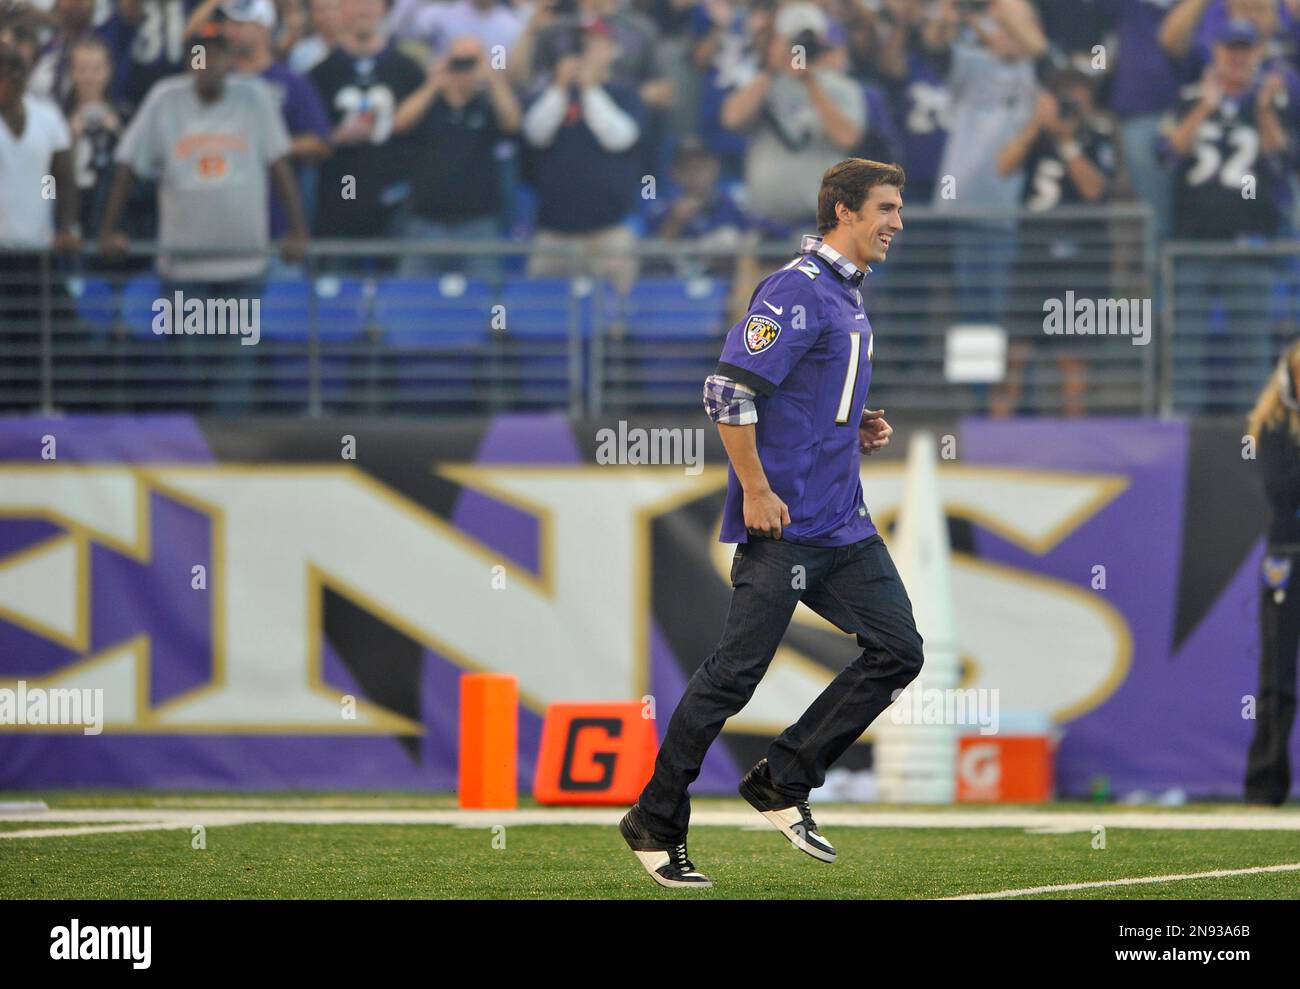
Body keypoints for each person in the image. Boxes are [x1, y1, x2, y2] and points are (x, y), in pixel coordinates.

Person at [619, 158, 923, 889]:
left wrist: (853, 424)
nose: (898, 221)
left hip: (841, 525)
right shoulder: (797, 288)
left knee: (899, 650)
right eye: (885, 207)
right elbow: (727, 389)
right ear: (843, 212)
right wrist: (755, 487)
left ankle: (783, 778)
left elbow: (804, 393)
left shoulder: (846, 295)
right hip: (786, 527)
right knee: (735, 675)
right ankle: (654, 819)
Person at [97, 24, 309, 412]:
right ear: (189, 60)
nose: (209, 62)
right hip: (185, 266)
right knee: (195, 363)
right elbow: (127, 165)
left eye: (218, 53)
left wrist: (297, 231)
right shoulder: (164, 99)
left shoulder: (255, 98)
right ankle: (203, 447)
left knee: (236, 366)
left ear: (231, 59)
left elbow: (280, 164)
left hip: (243, 264)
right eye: (201, 53)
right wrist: (110, 230)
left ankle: (229, 455)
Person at [720, 1, 865, 234]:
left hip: (821, 228)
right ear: (778, 41)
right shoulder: (762, 84)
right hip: (764, 228)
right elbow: (731, 119)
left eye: (807, 42)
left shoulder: (843, 89)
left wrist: (810, 81)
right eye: (794, 42)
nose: (800, 50)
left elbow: (847, 137)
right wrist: (772, 68)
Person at [521, 20, 643, 292]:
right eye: (581, 46)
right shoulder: (551, 94)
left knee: (616, 319)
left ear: (612, 51)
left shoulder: (624, 94)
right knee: (538, 315)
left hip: (608, 232)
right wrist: (560, 88)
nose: (585, 53)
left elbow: (621, 137)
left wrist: (590, 89)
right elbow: (535, 133)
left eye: (595, 45)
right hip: (554, 233)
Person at [0, 38, 80, 412]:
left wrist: (66, 225)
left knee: (45, 338)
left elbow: (60, 175)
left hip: (36, 251)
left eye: (9, 73)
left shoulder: (46, 116)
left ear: (20, 77)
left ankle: (40, 416)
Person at [308, 0, 425, 247]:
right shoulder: (319, 74)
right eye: (354, 3)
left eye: (371, 3)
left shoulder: (409, 70)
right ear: (340, 9)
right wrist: (337, 136)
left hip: (396, 201)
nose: (363, 10)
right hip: (339, 200)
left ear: (384, 8)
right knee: (334, 283)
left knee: (401, 285)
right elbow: (303, 144)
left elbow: (429, 135)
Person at [1243, 338, 1300, 805]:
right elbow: (1283, 494)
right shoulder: (1271, 429)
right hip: (1287, 556)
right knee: (1276, 677)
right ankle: (1266, 783)